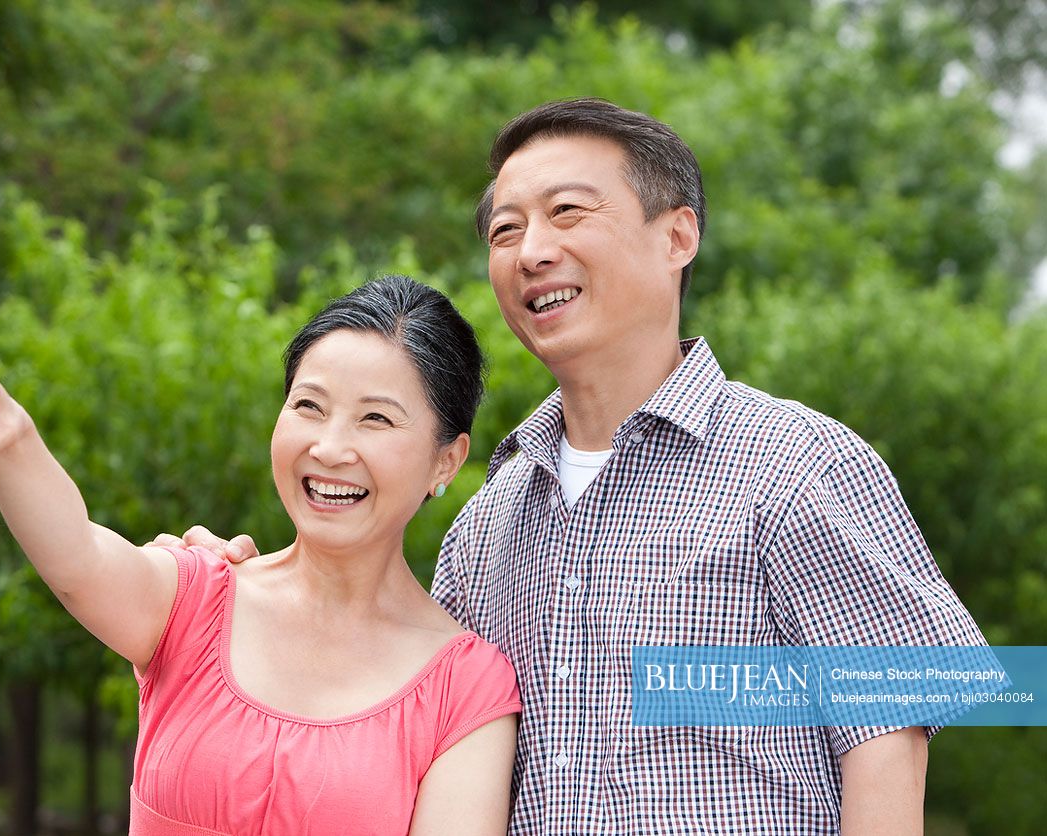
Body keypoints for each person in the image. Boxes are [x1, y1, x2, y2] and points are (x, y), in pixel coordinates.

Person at [178, 99, 989, 834]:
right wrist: (247, 595)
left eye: (567, 213)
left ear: (677, 236)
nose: (531, 251)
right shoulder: (482, 525)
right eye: (504, 230)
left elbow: (889, 744)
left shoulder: (798, 463)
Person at [0, 275, 521, 835]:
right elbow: (77, 557)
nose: (330, 448)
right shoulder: (194, 599)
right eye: (309, 406)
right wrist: (10, 437)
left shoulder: (464, 690)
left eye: (376, 419)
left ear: (446, 460)